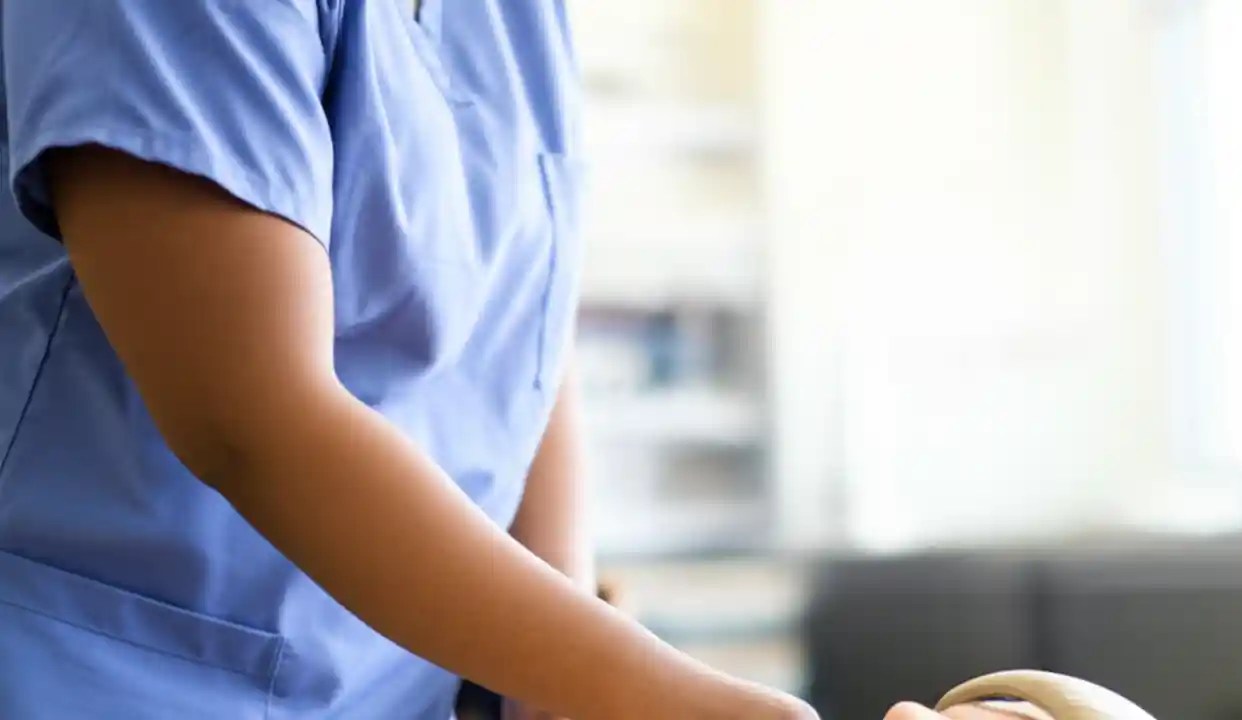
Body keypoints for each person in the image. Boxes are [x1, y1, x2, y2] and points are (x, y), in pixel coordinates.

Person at [0, 2, 1025, 719]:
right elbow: (248, 416)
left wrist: (558, 652)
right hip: (107, 672)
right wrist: (631, 686)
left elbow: (523, 314)